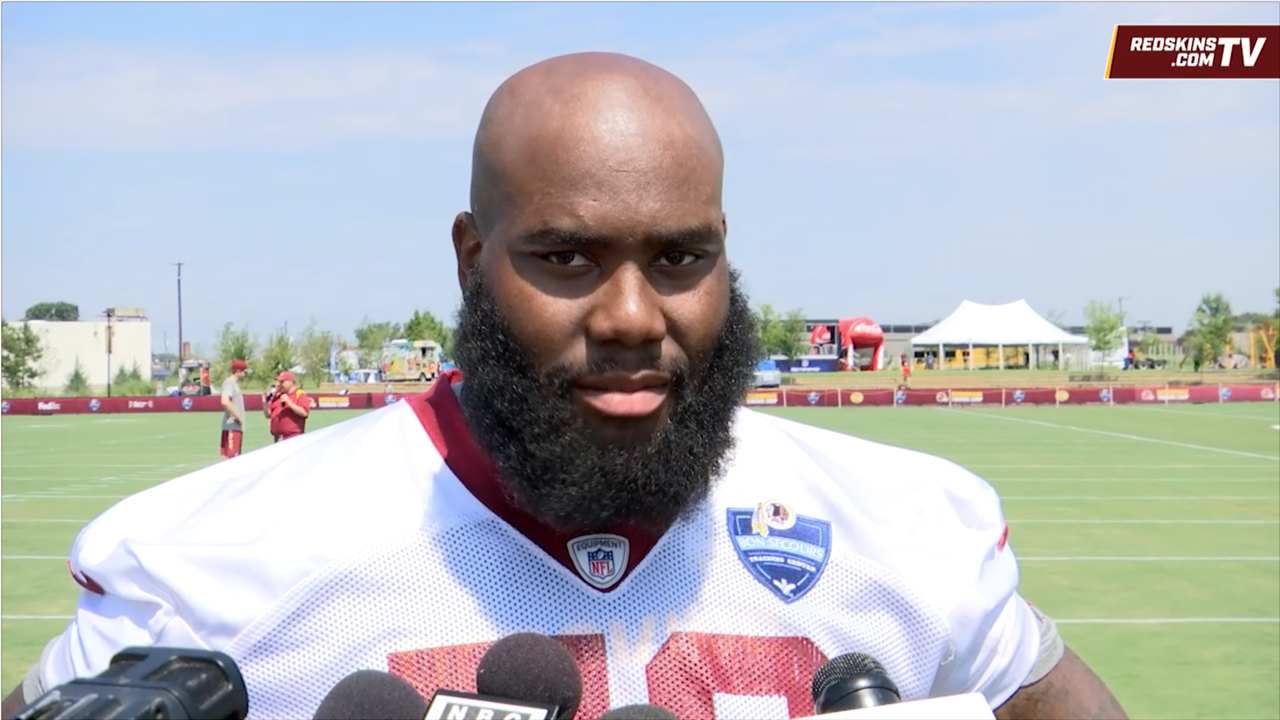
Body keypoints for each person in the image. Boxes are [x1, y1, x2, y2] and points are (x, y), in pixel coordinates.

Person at [2, 53, 1124, 720]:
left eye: (679, 257)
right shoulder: (207, 564)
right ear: (469, 258)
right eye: (567, 257)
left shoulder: (905, 531)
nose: (632, 316)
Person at [263, 370, 309, 442]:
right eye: (278, 382)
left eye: (282, 382)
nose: (278, 384)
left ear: (290, 382)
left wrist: (289, 402)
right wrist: (265, 402)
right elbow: (268, 415)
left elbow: (304, 413)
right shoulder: (277, 395)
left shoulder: (299, 394)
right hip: (278, 438)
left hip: (293, 438)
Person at [218, 359, 249, 459]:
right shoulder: (229, 383)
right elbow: (225, 401)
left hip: (235, 427)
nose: (245, 374)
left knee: (235, 458)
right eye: (244, 371)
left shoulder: (234, 384)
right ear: (238, 371)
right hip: (232, 426)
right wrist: (238, 417)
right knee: (232, 460)